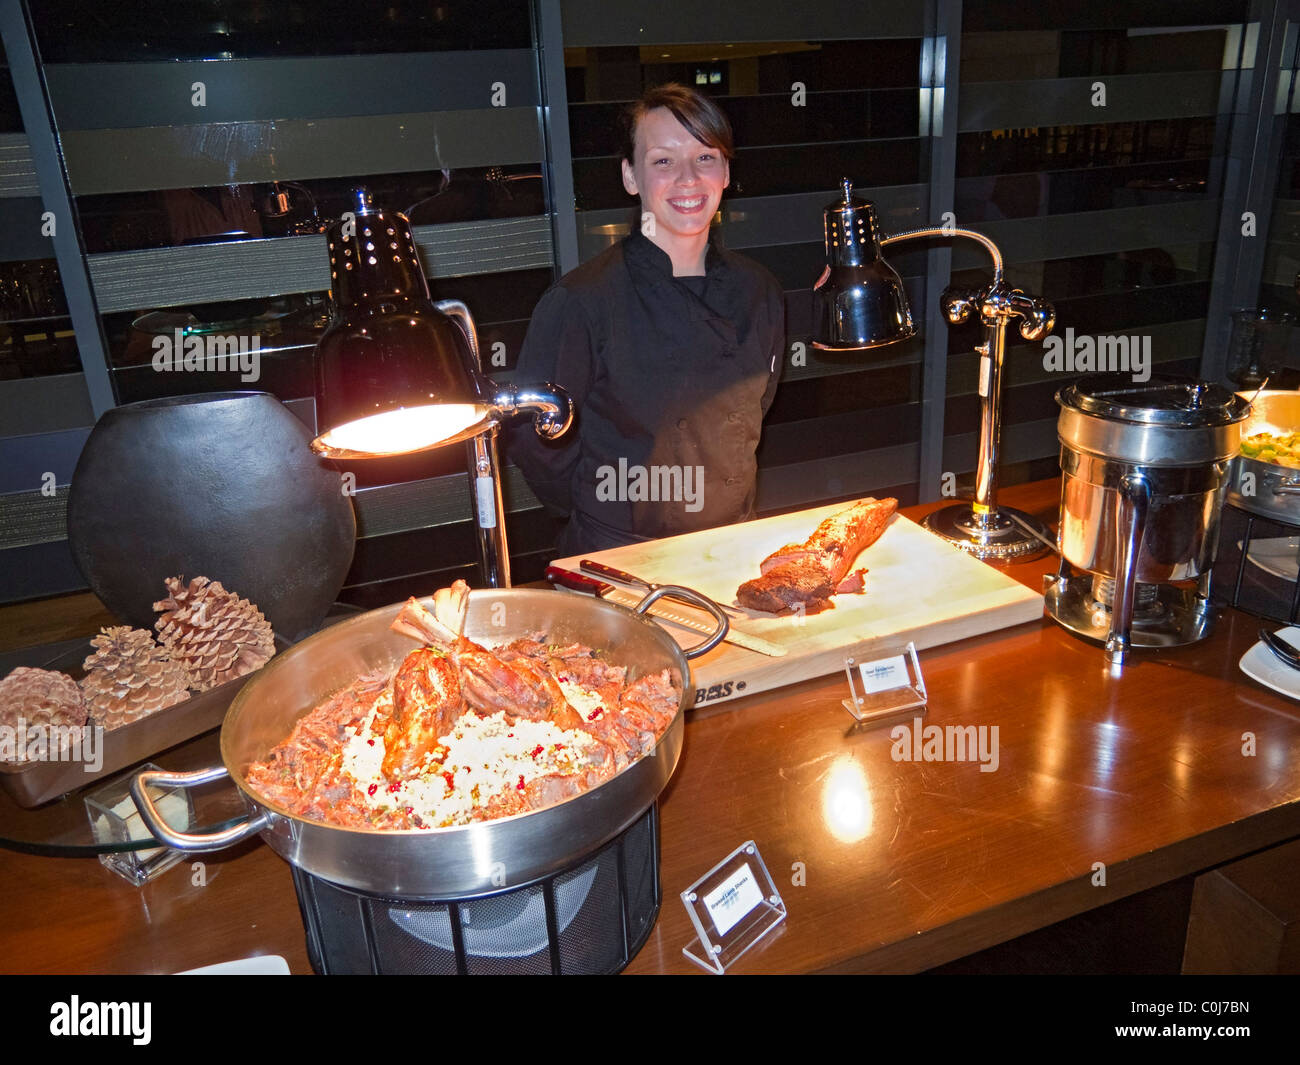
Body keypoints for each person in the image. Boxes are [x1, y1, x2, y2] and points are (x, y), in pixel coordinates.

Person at [508, 83, 785, 555]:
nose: (688, 179)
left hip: (735, 545)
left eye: (705, 157)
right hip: (619, 556)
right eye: (663, 161)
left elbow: (757, 409)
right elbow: (536, 443)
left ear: (725, 173)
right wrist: (604, 513)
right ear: (630, 177)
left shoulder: (759, 290)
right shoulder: (582, 300)